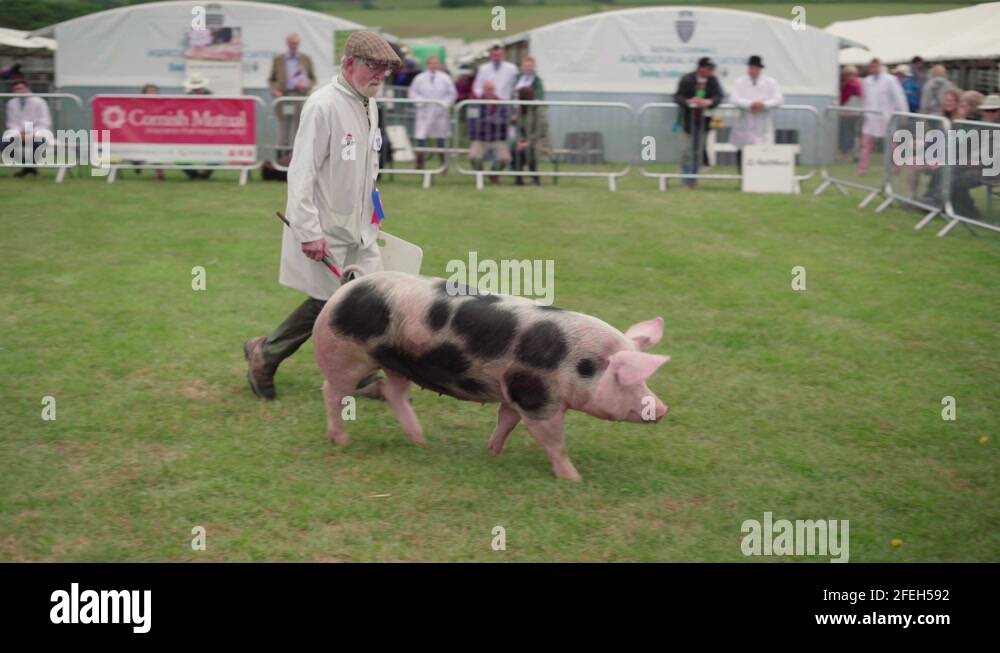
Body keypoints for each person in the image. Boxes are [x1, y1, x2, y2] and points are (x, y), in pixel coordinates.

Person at [245, 31, 401, 400]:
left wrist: (375, 211)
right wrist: (308, 231)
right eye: (372, 67)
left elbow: (369, 166)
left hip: (360, 227)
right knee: (327, 303)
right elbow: (301, 173)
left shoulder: (369, 103)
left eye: (384, 70)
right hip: (326, 227)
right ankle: (265, 356)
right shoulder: (323, 105)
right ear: (348, 64)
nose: (379, 75)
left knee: (367, 301)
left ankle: (355, 376)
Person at [673, 56, 724, 189]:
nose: (711, 72)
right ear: (700, 68)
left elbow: (719, 96)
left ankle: (693, 180)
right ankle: (686, 180)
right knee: (686, 151)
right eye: (708, 69)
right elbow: (677, 97)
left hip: (704, 123)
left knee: (698, 151)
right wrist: (688, 102)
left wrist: (709, 102)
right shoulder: (687, 79)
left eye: (712, 69)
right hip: (687, 122)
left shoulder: (713, 81)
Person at [729, 55, 783, 172]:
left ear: (760, 69)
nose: (753, 71)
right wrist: (750, 104)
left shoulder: (770, 82)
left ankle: (761, 179)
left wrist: (763, 104)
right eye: (751, 68)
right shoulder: (739, 82)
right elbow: (734, 98)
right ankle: (743, 178)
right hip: (745, 120)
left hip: (763, 121)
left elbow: (778, 99)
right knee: (742, 150)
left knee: (763, 152)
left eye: (755, 68)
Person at [949, 94, 1000, 219]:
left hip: (992, 170)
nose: (989, 114)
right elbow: (964, 146)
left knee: (958, 181)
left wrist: (972, 163)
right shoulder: (980, 127)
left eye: (993, 111)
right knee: (945, 172)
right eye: (986, 111)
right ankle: (941, 205)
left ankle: (971, 214)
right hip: (974, 165)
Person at [268, 33, 316, 159]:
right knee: (283, 126)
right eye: (291, 43)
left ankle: (298, 156)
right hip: (284, 97)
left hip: (299, 97)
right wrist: (274, 90)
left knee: (299, 126)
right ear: (287, 44)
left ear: (299, 44)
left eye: (296, 43)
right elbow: (271, 79)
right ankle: (282, 157)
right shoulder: (278, 59)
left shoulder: (306, 59)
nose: (294, 46)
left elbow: (313, 79)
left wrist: (306, 86)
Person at [858, 58, 907, 176]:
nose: (873, 69)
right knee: (866, 144)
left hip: (886, 117)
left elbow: (899, 97)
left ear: (879, 66)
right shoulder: (867, 81)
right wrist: (864, 113)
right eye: (871, 66)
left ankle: (898, 165)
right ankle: (862, 169)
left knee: (892, 145)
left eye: (875, 66)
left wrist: (904, 112)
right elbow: (865, 98)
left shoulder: (890, 80)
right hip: (871, 117)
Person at [407, 55, 457, 170]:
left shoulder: (445, 78)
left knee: (441, 140)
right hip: (424, 112)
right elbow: (412, 92)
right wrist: (420, 101)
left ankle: (443, 165)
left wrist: (445, 103)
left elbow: (452, 94)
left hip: (440, 114)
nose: (434, 65)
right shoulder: (419, 78)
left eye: (436, 63)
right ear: (427, 64)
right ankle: (420, 164)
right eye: (431, 63)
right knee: (421, 139)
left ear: (438, 65)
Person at [3, 80, 52, 177]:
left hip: (37, 133)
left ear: (27, 88)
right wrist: (18, 134)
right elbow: (11, 122)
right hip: (17, 134)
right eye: (15, 89)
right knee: (3, 144)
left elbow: (45, 121)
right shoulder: (11, 103)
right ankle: (28, 167)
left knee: (37, 143)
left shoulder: (39, 102)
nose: (18, 91)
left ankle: (27, 167)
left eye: (20, 88)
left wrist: (31, 134)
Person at [467, 80, 511, 184]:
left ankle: (493, 174)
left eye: (492, 89)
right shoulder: (474, 104)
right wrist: (494, 120)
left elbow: (505, 120)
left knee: (505, 158)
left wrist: (486, 120)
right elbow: (473, 122)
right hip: (480, 138)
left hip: (497, 138)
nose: (490, 92)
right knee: (473, 157)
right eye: (488, 89)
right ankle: (480, 175)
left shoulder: (502, 104)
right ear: (483, 90)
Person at [513, 86, 550, 185]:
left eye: (519, 96)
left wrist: (528, 142)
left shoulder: (539, 108)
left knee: (528, 151)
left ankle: (535, 179)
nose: (517, 99)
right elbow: (519, 129)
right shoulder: (521, 109)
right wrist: (520, 141)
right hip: (525, 141)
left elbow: (540, 130)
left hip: (540, 140)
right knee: (515, 150)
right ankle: (518, 179)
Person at [183, 73, 215, 180]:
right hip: (188, 133)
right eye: (194, 88)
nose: (197, 90)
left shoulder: (214, 98)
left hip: (209, 133)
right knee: (177, 156)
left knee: (219, 154)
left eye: (199, 87)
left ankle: (205, 174)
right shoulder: (183, 99)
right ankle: (193, 174)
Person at [838, 64, 863, 157]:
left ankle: (850, 152)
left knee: (848, 134)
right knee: (854, 134)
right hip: (856, 113)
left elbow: (843, 99)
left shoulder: (851, 85)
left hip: (848, 113)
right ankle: (854, 153)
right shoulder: (859, 83)